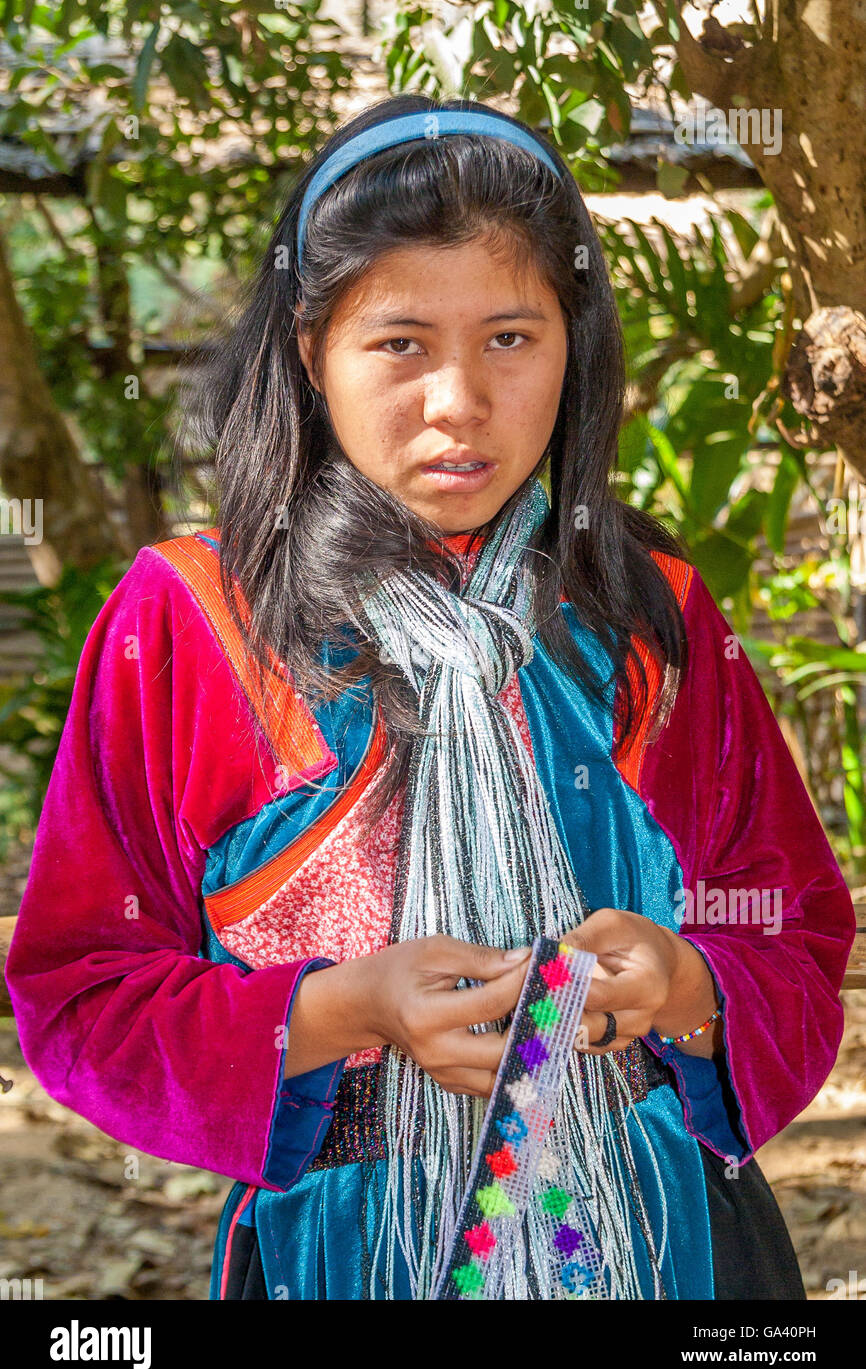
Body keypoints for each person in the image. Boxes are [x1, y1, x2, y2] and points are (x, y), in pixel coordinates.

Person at [5, 94, 855, 1302]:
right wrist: (336, 1011)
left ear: (574, 343)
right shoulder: (194, 622)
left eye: (511, 338)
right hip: (345, 1258)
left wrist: (686, 986)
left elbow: (792, 933)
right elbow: (81, 991)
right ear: (310, 353)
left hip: (666, 1243)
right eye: (399, 342)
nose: (457, 400)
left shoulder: (645, 612)